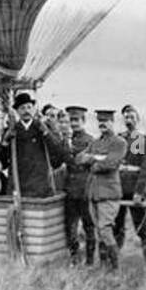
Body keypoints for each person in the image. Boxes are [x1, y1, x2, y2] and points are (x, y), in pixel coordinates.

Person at [81, 109, 126, 270]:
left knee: (105, 230)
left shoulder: (119, 142)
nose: (102, 124)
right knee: (100, 231)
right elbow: (79, 158)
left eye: (106, 121)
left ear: (112, 122)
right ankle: (104, 266)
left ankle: (115, 269)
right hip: (94, 193)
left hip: (108, 194)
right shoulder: (95, 143)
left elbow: (111, 164)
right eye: (100, 121)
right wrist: (96, 159)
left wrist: (92, 160)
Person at [5, 91, 71, 197]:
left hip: (40, 185)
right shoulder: (12, 131)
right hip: (18, 185)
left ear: (33, 109)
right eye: (22, 108)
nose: (26, 111)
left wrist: (46, 133)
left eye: (29, 107)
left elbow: (58, 153)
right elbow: (2, 160)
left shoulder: (42, 128)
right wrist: (5, 141)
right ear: (17, 111)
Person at [113, 104, 146, 262]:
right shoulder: (118, 139)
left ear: (138, 119)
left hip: (136, 190)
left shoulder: (142, 140)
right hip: (118, 189)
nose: (129, 120)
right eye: (126, 117)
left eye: (132, 117)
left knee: (142, 227)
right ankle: (114, 260)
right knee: (117, 226)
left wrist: (139, 191)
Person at [63, 105, 96, 265]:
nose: (73, 123)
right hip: (70, 190)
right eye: (71, 120)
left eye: (76, 120)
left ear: (83, 121)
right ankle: (74, 258)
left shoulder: (90, 141)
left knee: (89, 225)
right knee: (70, 227)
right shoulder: (66, 139)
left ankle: (89, 260)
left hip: (85, 190)